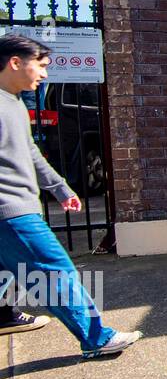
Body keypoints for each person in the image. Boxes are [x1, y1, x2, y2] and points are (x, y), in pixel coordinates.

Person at [0, 33, 141, 357]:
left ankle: (2, 314)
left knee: (7, 269)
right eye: (41, 66)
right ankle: (97, 339)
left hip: (15, 207)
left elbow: (32, 153)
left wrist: (61, 188)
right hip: (10, 210)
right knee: (53, 270)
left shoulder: (14, 103)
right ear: (15, 62)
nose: (45, 74)